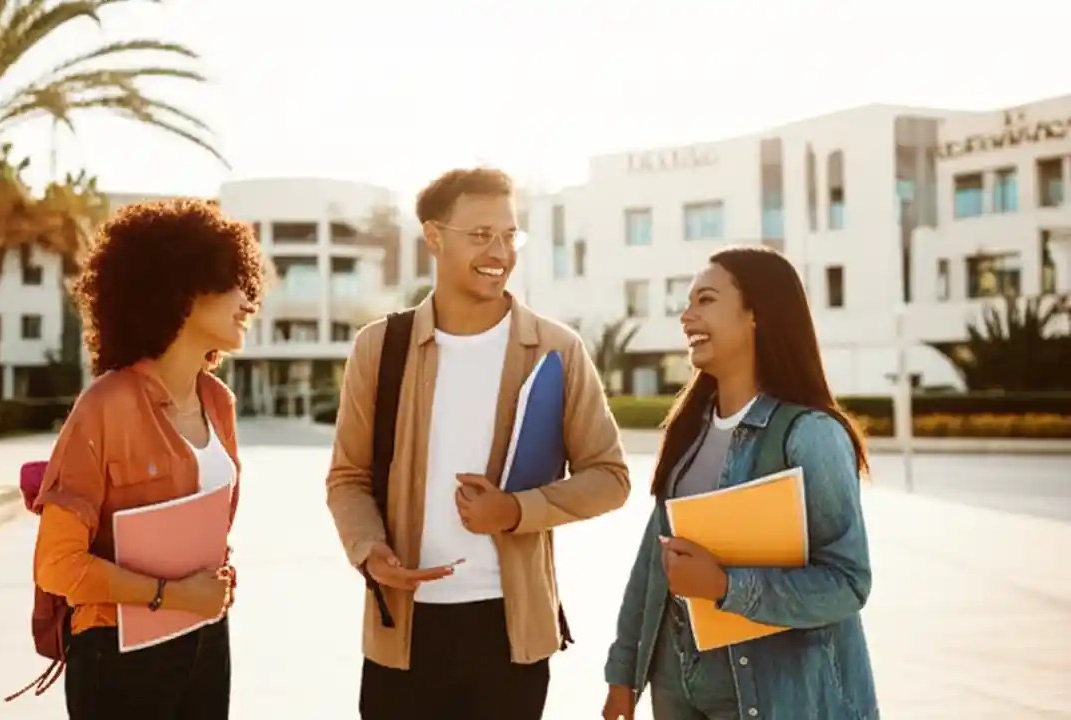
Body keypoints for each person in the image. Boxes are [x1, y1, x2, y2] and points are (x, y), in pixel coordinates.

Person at [326, 167, 631, 720]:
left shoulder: (555, 350)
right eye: (480, 234)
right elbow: (347, 478)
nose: (500, 251)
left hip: (509, 632)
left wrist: (515, 510)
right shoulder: (380, 347)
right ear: (434, 236)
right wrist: (371, 552)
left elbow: (610, 478)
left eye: (510, 235)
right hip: (404, 628)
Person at [600, 245, 878, 720]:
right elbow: (653, 562)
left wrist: (726, 585)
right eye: (687, 303)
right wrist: (623, 675)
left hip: (775, 693)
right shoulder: (690, 430)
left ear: (756, 315)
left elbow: (848, 583)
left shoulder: (810, 435)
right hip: (678, 683)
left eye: (705, 300)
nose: (686, 317)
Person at [29, 198, 264, 719]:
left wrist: (210, 585)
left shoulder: (218, 402)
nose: (249, 300)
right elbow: (57, 566)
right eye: (231, 281)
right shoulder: (106, 405)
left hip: (204, 638)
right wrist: (173, 594)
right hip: (118, 656)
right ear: (179, 288)